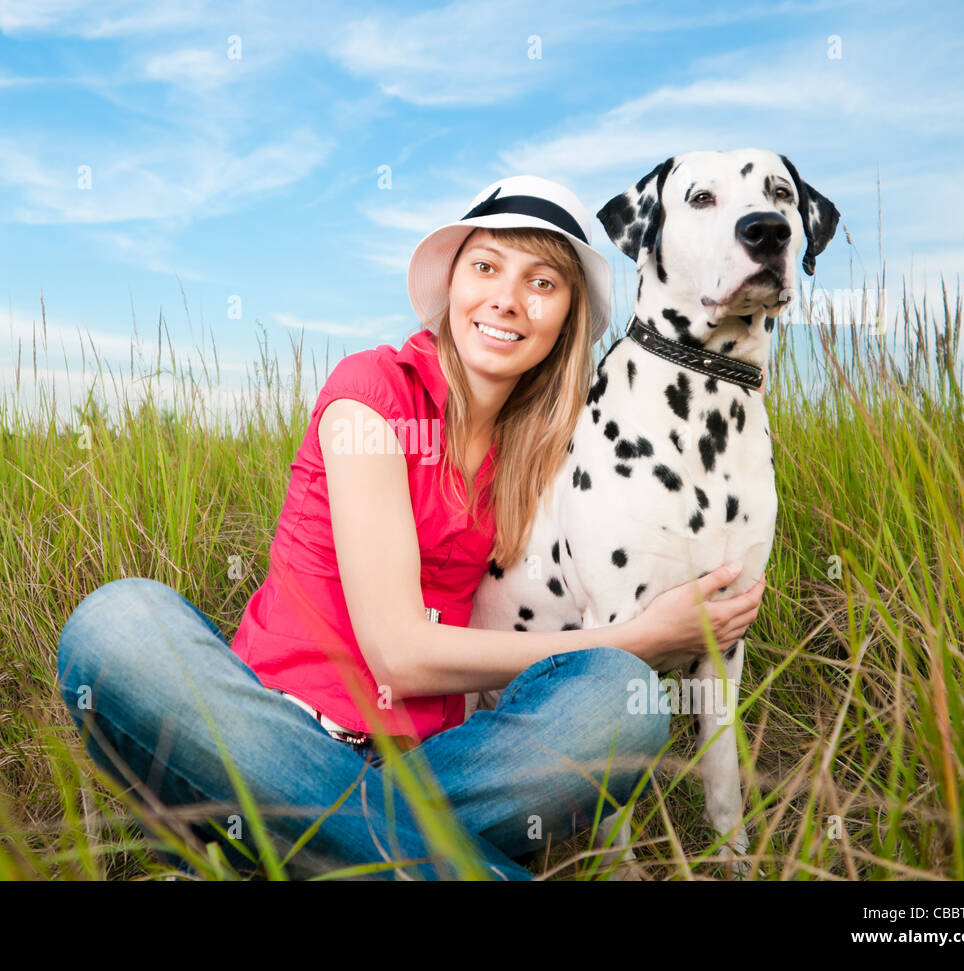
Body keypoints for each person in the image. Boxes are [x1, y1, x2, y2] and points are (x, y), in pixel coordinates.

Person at [54, 175, 766, 880]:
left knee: (620, 702)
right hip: (269, 736)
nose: (507, 300)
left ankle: (285, 851)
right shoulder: (372, 393)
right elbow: (397, 653)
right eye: (486, 267)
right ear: (453, 285)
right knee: (119, 623)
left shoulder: (550, 456)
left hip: (439, 772)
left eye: (542, 283)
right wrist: (642, 639)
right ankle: (382, 852)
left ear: (567, 318)